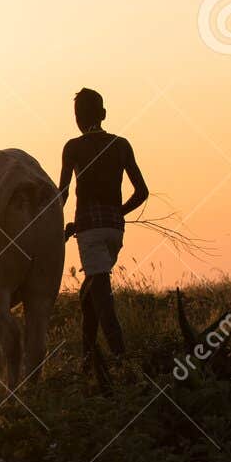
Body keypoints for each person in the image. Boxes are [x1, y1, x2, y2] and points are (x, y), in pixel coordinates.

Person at [57, 87, 148, 381]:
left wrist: (52, 224)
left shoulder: (72, 147)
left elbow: (62, 194)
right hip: (114, 231)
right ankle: (87, 363)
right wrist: (118, 213)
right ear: (104, 114)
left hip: (91, 233)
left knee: (102, 298)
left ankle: (123, 364)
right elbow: (142, 192)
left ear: (76, 118)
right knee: (89, 297)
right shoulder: (121, 145)